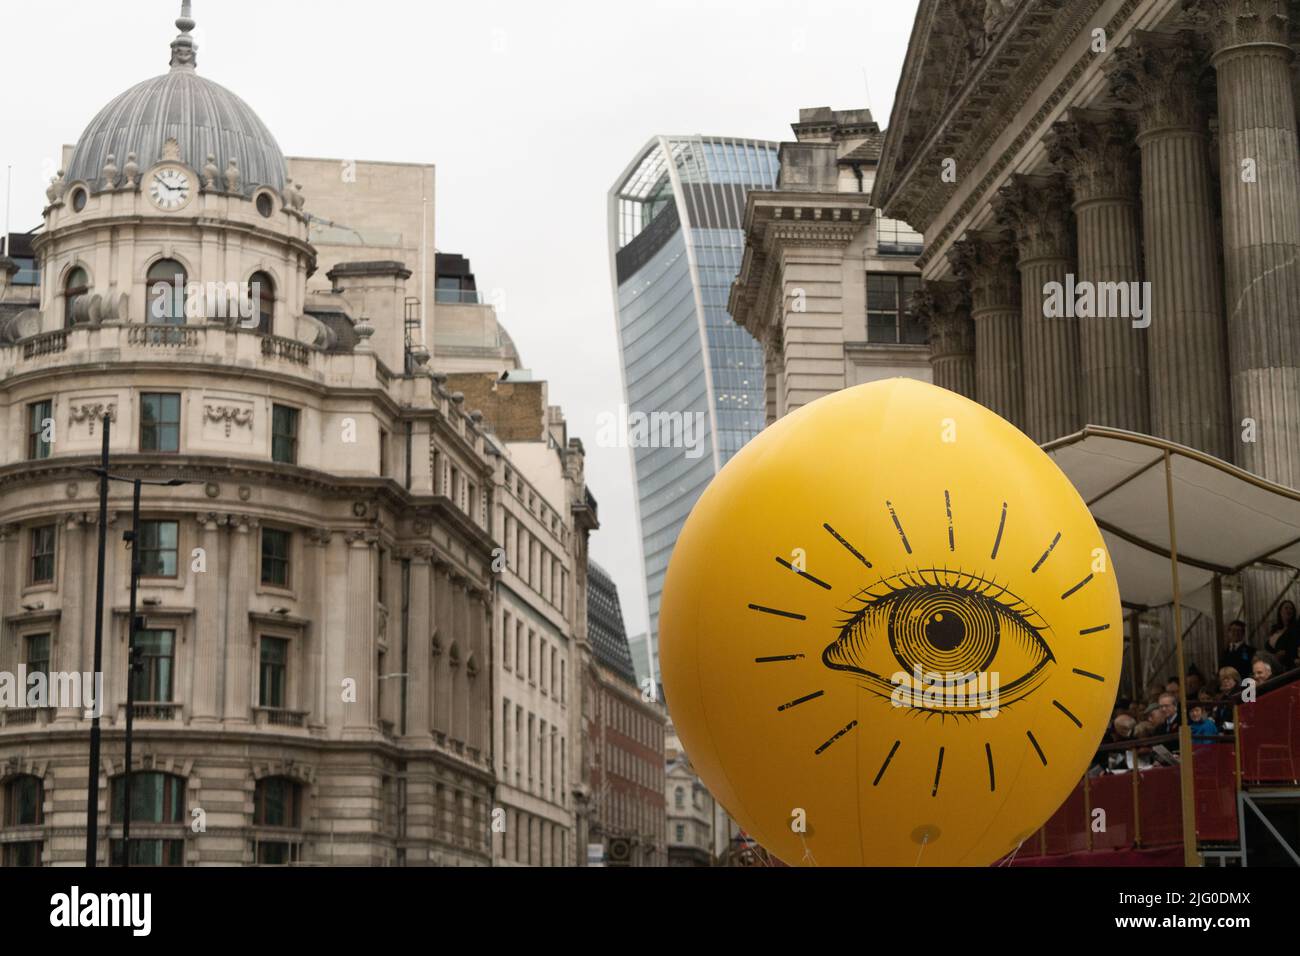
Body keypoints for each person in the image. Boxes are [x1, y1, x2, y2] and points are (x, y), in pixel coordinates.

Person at [1265, 600, 1300, 672]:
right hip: (1273, 664)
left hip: (1287, 664)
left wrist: (1285, 653)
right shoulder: (1274, 629)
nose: (1289, 610)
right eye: (1286, 608)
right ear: (1280, 611)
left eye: (1291, 608)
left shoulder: (1296, 627)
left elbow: (1294, 645)